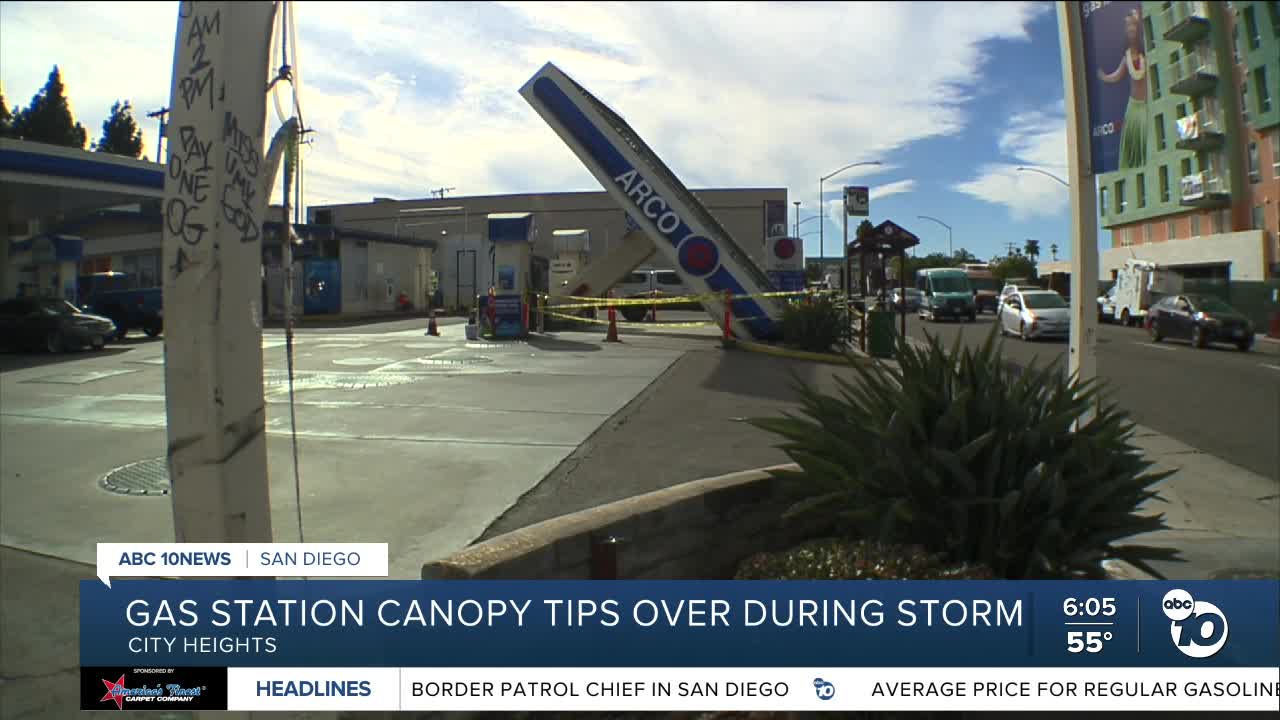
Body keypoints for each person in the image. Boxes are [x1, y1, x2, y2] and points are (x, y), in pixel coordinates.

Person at [1098, 8, 1149, 169]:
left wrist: (1138, 16)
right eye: (1127, 26)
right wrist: (1103, 76)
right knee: (1131, 146)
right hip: (1134, 106)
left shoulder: (1147, 52)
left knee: (1144, 142)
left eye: (1132, 25)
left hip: (1148, 104)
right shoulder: (1126, 56)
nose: (1130, 29)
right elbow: (1116, 76)